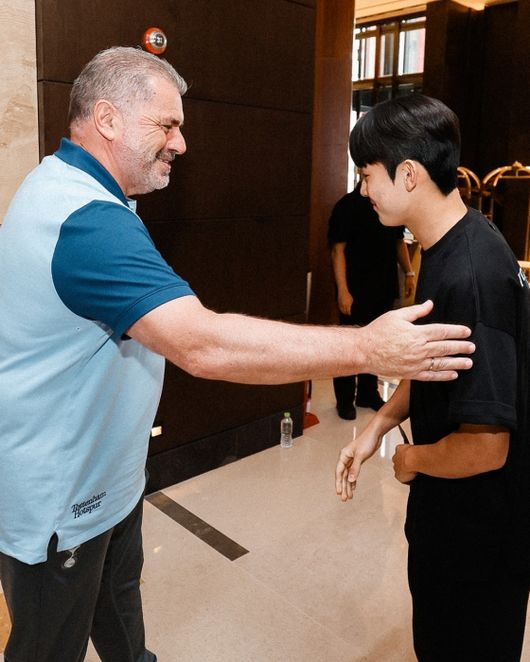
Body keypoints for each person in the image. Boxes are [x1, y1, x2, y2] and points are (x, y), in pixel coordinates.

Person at [0, 48, 475, 662]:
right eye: (167, 125)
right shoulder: (86, 220)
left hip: (109, 487)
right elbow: (202, 343)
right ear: (109, 119)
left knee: (124, 633)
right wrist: (366, 345)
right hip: (64, 502)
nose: (181, 143)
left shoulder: (77, 189)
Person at [335, 94, 530, 662]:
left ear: (408, 174)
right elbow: (434, 364)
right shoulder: (449, 245)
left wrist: (412, 459)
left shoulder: (473, 275)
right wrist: (378, 426)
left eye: (368, 175)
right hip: (453, 524)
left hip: (480, 541)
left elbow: (487, 446)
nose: (364, 191)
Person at [328, 181, 415, 419]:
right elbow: (337, 251)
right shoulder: (346, 206)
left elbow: (399, 241)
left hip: (383, 286)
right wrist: (343, 290)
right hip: (355, 288)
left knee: (377, 343)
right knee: (349, 344)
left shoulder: (389, 205)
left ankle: (367, 394)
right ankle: (345, 399)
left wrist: (408, 272)